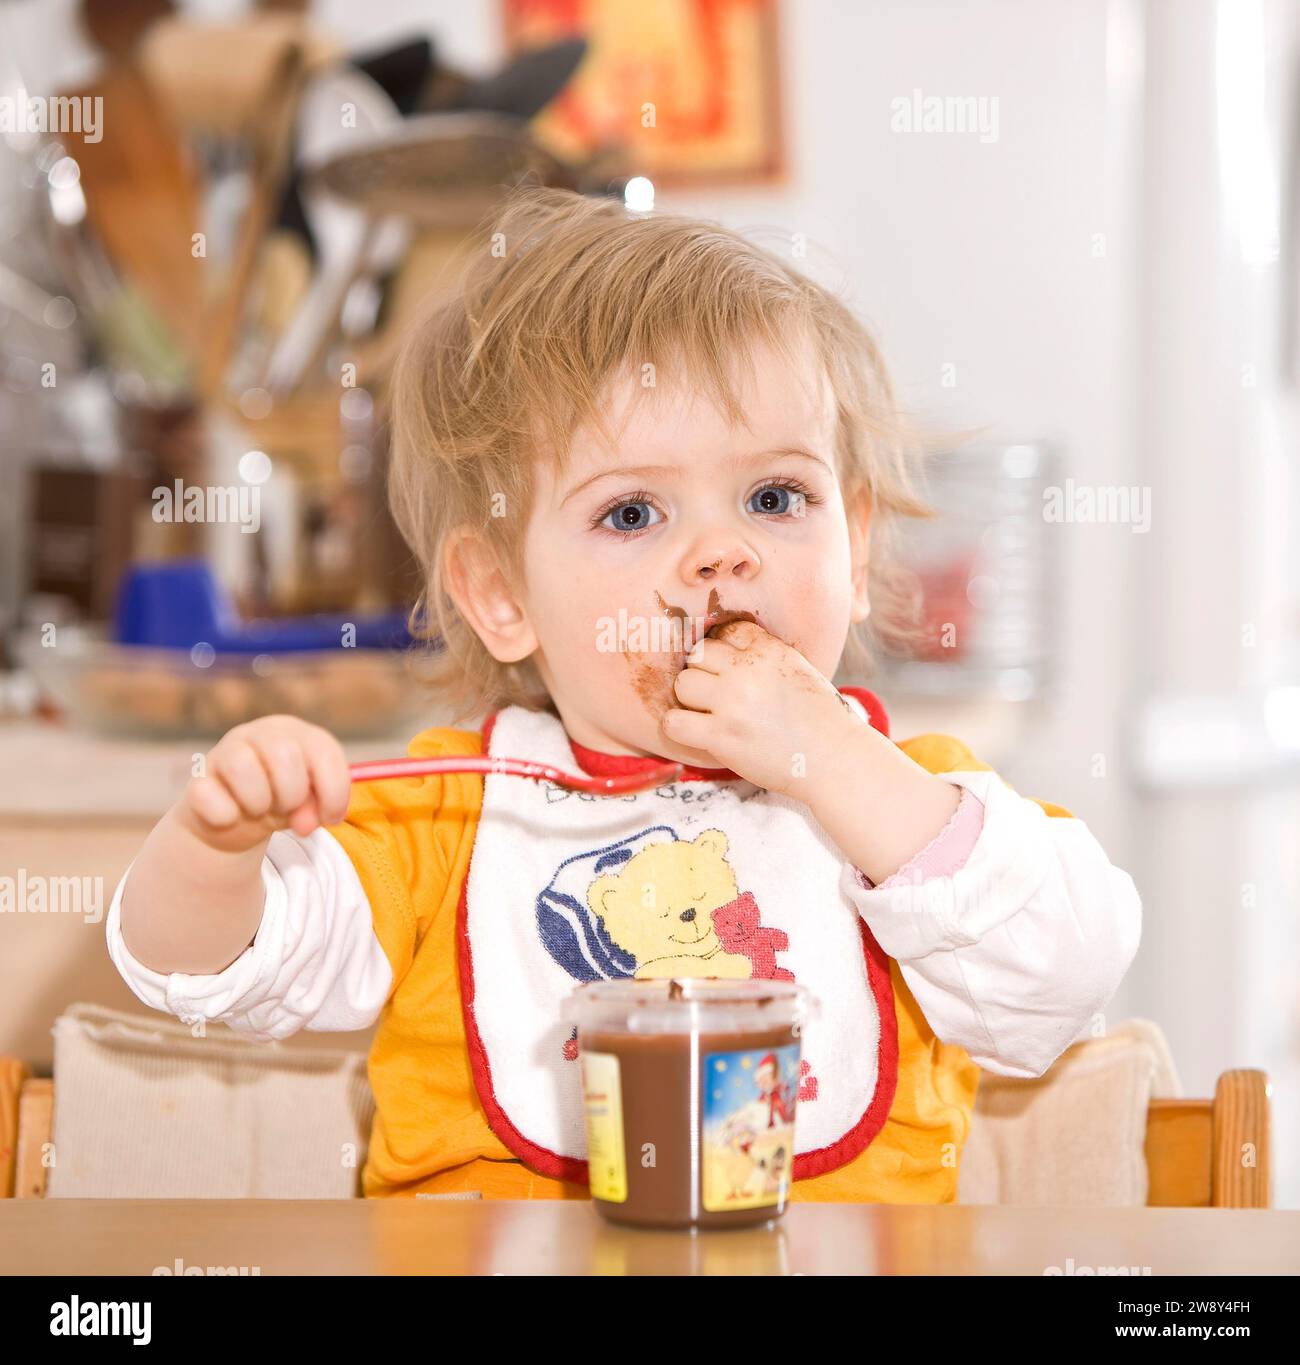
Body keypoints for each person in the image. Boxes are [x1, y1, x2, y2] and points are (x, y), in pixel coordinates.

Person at [108, 187, 1141, 1203]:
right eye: (633, 511)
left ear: (855, 547)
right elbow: (219, 980)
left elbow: (1063, 974)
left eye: (774, 498)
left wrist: (829, 762)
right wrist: (213, 848)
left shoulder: (907, 809)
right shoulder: (450, 813)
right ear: (501, 594)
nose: (720, 555)